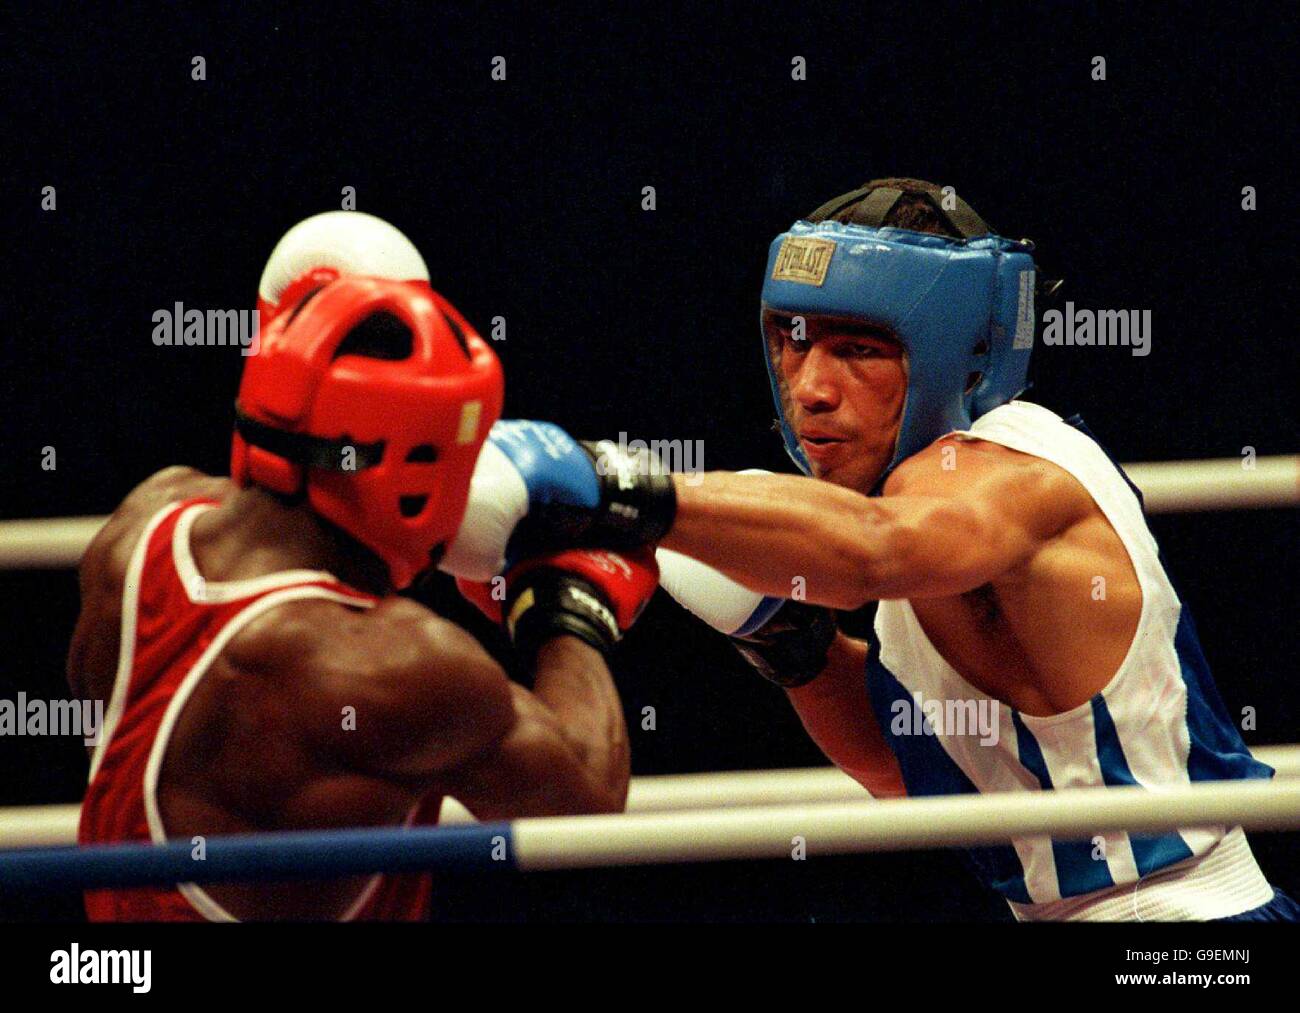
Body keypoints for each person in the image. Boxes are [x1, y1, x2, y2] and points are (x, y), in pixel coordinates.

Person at [479, 179, 1296, 921]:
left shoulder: (1006, 471)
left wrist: (611, 485)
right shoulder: (919, 508)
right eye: (792, 341)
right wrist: (788, 646)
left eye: (859, 349)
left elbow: (877, 550)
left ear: (957, 353)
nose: (809, 386)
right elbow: (909, 774)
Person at [69, 213, 657, 921]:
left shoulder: (142, 527)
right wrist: (568, 599)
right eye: (462, 459)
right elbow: (585, 797)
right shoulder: (396, 665)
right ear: (413, 475)